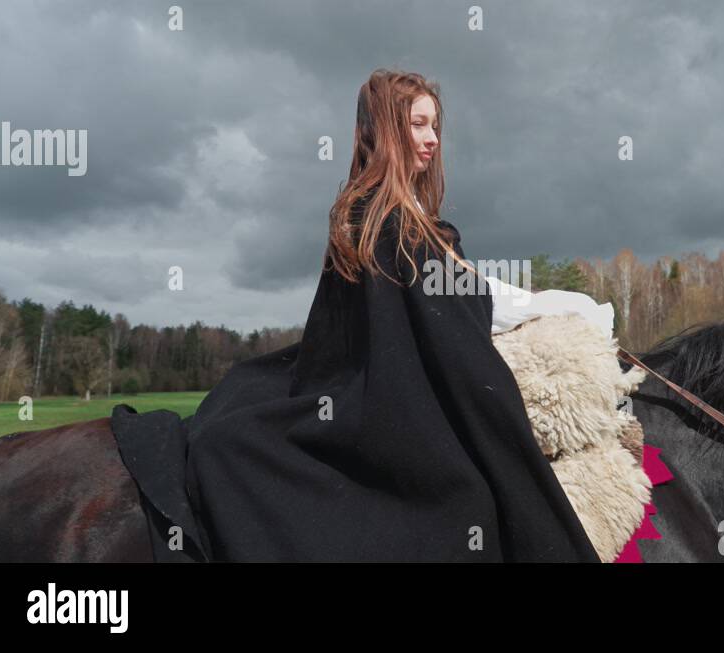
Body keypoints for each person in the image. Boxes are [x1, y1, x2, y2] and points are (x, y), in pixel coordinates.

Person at [170, 69, 603, 562]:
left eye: (435, 126)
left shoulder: (412, 221)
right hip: (382, 403)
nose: (433, 139)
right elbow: (461, 307)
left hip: (391, 391)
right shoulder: (383, 220)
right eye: (419, 124)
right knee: (470, 502)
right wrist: (559, 305)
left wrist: (557, 303)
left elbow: (463, 296)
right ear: (387, 128)